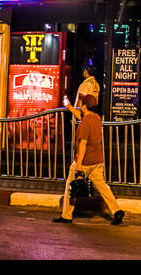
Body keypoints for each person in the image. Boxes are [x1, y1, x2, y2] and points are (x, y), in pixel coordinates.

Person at [53, 94, 124, 225]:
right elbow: (81, 116)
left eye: (81, 102)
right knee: (102, 186)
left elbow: (83, 144)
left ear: (84, 106)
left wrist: (79, 164)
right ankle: (117, 211)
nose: (79, 104)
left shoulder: (85, 123)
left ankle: (66, 215)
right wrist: (68, 106)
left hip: (85, 161)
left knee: (70, 186)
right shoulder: (95, 118)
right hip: (98, 160)